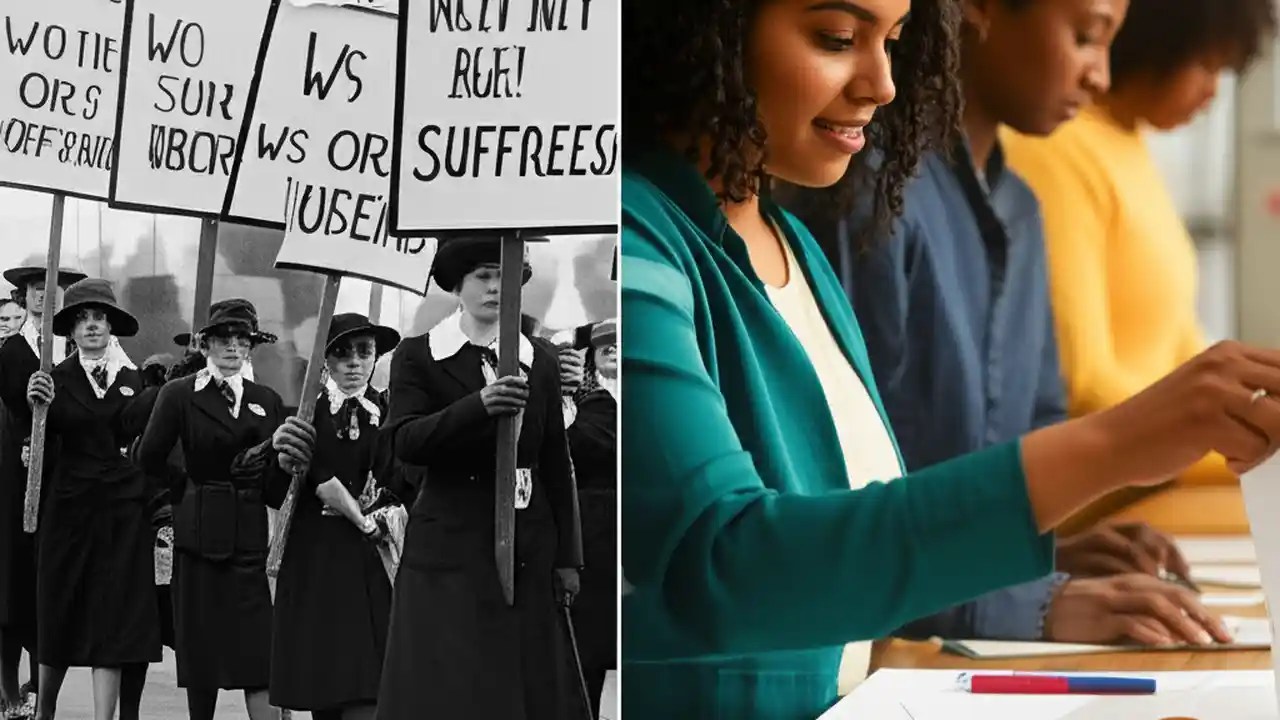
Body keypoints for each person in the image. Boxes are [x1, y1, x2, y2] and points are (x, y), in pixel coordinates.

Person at [621, 1, 1280, 718]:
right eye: (838, 38)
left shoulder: (792, 247)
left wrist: (1032, 565)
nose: (884, 82)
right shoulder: (633, 245)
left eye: (896, 42)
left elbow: (863, 530)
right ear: (706, 27)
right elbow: (729, 567)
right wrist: (1114, 445)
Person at [791, 0, 1231, 677]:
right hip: (877, 659)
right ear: (980, 10)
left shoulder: (1022, 209)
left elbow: (1035, 427)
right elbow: (833, 514)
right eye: (1084, 36)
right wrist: (1019, 600)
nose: (1101, 78)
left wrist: (1040, 550)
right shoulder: (866, 193)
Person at [1001, 0, 1278, 485]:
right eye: (1206, 66)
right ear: (1157, 42)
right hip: (1097, 494)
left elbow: (1184, 352)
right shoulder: (1057, 150)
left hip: (1149, 481)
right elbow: (1079, 384)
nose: (1212, 93)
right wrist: (1243, 445)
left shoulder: (1126, 145)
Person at [376, 236, 583, 720]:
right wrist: (477, 408)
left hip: (528, 550)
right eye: (483, 277)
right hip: (448, 548)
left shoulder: (543, 360)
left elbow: (556, 459)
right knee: (452, 686)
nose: (496, 288)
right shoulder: (419, 355)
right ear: (457, 285)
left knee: (521, 687)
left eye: (506, 277)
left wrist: (568, 557)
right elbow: (403, 441)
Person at [135, 299, 314, 720]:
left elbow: (273, 490)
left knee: (258, 655)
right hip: (198, 539)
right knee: (201, 657)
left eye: (241, 340)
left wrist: (285, 466)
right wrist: (186, 487)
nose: (233, 347)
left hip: (249, 538)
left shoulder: (265, 400)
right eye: (224, 339)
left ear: (251, 347)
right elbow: (149, 458)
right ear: (206, 344)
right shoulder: (179, 395)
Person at [23, 279, 161, 720]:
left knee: (113, 616)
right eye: (82, 320)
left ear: (111, 325)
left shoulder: (136, 379)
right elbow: (36, 444)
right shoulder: (52, 380)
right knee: (59, 608)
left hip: (122, 512)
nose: (91, 327)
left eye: (98, 318)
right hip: (68, 509)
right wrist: (33, 407)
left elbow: (147, 444)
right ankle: (45, 709)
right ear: (70, 330)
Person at [268, 313, 403, 720]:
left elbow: (407, 478)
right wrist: (280, 458)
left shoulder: (393, 413)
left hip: (373, 559)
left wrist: (380, 514)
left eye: (364, 352)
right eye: (342, 353)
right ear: (325, 360)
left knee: (370, 686)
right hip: (318, 560)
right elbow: (272, 489)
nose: (354, 362)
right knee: (325, 684)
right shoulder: (304, 414)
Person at [0, 264, 85, 718]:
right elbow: (11, 409)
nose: (46, 299)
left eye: (54, 293)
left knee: (50, 584)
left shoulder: (77, 352)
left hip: (63, 476)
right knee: (13, 581)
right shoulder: (13, 349)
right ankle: (10, 693)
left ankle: (41, 690)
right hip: (17, 477)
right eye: (38, 292)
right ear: (24, 297)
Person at [565, 319, 617, 717]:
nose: (614, 351)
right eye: (605, 347)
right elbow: (584, 446)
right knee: (589, 655)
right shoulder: (588, 401)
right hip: (596, 536)